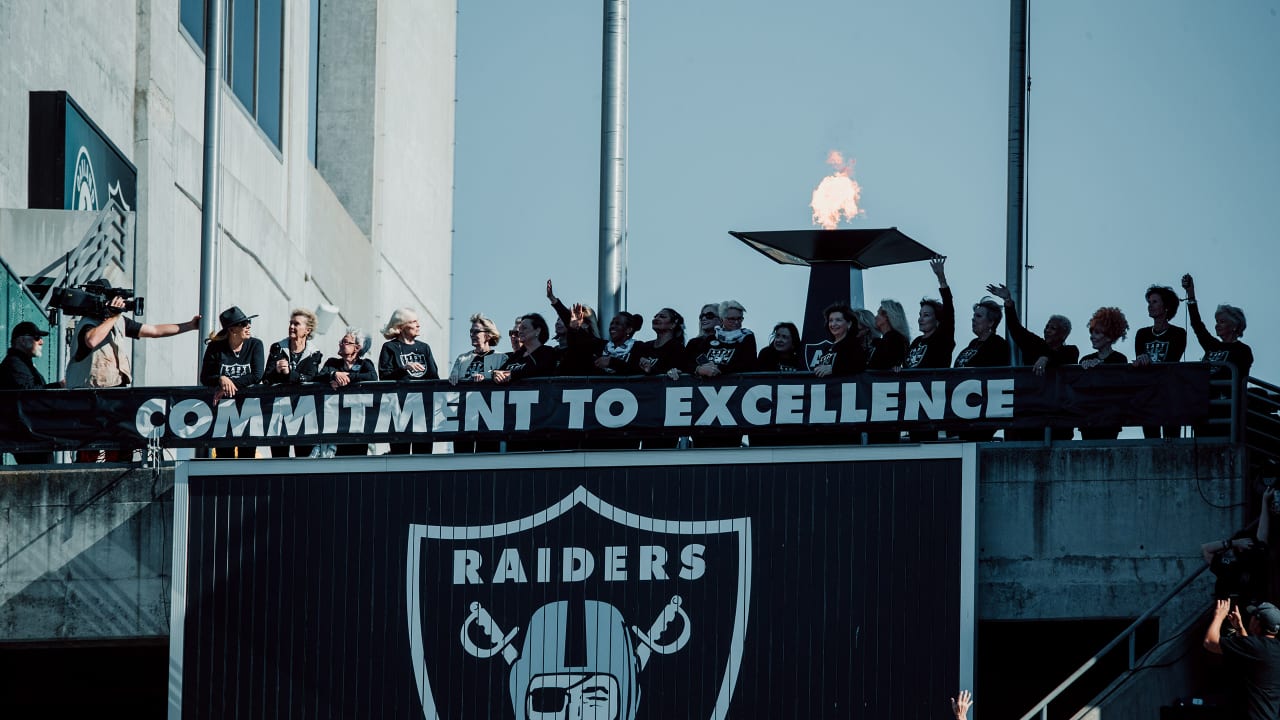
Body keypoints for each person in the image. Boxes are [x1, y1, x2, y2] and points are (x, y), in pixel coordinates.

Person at [987, 282, 1078, 441]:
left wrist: (1046, 358)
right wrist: (1008, 301)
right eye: (1047, 326)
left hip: (1058, 421)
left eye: (1053, 328)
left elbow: (1061, 358)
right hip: (1031, 416)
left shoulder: (1070, 350)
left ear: (1063, 335)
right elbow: (1016, 329)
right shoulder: (1037, 346)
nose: (1047, 330)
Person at [1183, 274, 1252, 438]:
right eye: (1216, 321)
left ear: (1234, 326)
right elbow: (1197, 325)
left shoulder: (1242, 350)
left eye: (1222, 322)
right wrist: (1190, 293)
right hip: (1203, 403)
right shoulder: (1212, 345)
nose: (1217, 325)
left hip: (1225, 408)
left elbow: (1239, 378)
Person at [200, 306, 265, 459]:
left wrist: (228, 385)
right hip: (223, 414)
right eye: (243, 324)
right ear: (232, 329)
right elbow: (205, 377)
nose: (248, 326)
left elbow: (257, 376)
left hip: (249, 411)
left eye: (248, 322)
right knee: (224, 458)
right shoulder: (215, 347)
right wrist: (220, 379)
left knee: (247, 457)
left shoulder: (255, 345)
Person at [1203, 598, 1280, 720]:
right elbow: (1250, 652)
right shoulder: (1273, 648)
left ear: (1257, 623)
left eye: (1253, 617)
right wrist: (1239, 629)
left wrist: (1218, 616)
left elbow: (1209, 642)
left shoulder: (1255, 647)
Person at [263, 308, 324, 458]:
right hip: (279, 413)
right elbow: (266, 378)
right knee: (278, 458)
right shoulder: (277, 347)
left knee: (303, 460)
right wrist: (277, 371)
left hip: (303, 414)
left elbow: (309, 378)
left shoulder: (315, 353)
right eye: (291, 323)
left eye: (296, 324)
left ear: (307, 330)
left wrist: (289, 374)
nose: (291, 327)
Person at [378, 307, 440, 455]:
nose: (418, 325)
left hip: (422, 410)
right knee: (400, 454)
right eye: (413, 321)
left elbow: (434, 377)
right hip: (398, 409)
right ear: (401, 326)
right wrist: (404, 368)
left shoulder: (424, 347)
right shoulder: (389, 347)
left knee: (423, 455)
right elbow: (384, 376)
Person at [0, 320, 60, 464]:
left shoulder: (21, 363)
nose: (41, 342)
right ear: (21, 341)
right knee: (43, 474)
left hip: (30, 431)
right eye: (36, 337)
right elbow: (29, 393)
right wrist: (58, 386)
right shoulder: (14, 363)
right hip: (25, 433)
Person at [1133, 285, 1187, 439]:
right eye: (1149, 302)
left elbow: (1172, 359)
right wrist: (1142, 360)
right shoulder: (1142, 334)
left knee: (1172, 438)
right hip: (1148, 392)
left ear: (1166, 307)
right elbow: (1139, 358)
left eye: (1155, 302)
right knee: (1150, 437)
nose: (1150, 306)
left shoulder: (1178, 333)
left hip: (1170, 392)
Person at [1202, 488, 1273, 606]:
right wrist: (1264, 501)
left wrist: (1233, 543)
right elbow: (1262, 536)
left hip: (1239, 613)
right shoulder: (1230, 565)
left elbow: (1206, 549)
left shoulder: (1247, 561)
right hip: (1233, 613)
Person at [448, 313, 507, 454]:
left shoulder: (501, 358)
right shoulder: (462, 358)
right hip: (464, 417)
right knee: (461, 458)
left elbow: (504, 381)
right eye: (471, 331)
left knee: (486, 457)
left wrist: (487, 378)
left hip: (489, 418)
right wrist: (454, 377)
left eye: (476, 331)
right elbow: (453, 377)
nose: (472, 334)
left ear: (488, 335)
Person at [316, 328, 379, 456]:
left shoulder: (365, 364)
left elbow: (373, 377)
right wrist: (334, 374)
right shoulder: (333, 362)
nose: (340, 344)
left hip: (357, 422)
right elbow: (319, 376)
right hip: (334, 422)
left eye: (345, 342)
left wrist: (348, 378)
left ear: (357, 348)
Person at [1077, 307, 1130, 440]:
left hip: (1110, 419)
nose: (1092, 337)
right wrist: (1085, 370)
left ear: (1109, 336)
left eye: (1097, 333)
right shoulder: (1085, 359)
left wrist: (1101, 368)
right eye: (1092, 332)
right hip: (1088, 419)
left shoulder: (1120, 359)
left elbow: (1119, 388)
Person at [901, 256, 956, 371]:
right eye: (920, 315)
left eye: (926, 315)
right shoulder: (916, 341)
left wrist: (941, 277)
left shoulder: (942, 338)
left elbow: (948, 309)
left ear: (937, 321)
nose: (920, 319)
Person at [685, 300, 757, 377]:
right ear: (722, 319)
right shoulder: (710, 339)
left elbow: (748, 364)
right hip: (707, 386)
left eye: (739, 319)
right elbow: (687, 362)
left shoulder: (747, 336)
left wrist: (718, 368)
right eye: (731, 319)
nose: (736, 322)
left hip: (735, 384)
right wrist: (699, 369)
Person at [546, 279, 601, 375]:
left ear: (585, 324)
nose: (559, 322)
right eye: (558, 319)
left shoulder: (591, 346)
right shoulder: (553, 352)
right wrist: (552, 298)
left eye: (562, 319)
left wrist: (555, 302)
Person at [493, 313, 557, 383]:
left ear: (537, 331)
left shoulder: (548, 352)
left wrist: (512, 375)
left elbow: (539, 370)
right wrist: (495, 374)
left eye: (524, 328)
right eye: (519, 329)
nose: (520, 332)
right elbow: (500, 370)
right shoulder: (517, 355)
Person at [813, 303, 867, 378]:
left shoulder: (853, 344)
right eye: (830, 320)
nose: (833, 324)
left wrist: (834, 369)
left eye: (838, 320)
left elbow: (859, 366)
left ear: (849, 324)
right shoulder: (828, 348)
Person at [634, 308, 687, 377]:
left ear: (673, 325)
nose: (656, 319)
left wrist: (651, 370)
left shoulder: (677, 348)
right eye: (655, 316)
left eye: (662, 317)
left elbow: (674, 373)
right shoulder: (645, 346)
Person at [867, 300, 910, 371]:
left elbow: (882, 365)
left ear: (887, 317)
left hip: (880, 380)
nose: (875, 317)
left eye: (878, 314)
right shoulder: (884, 340)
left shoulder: (895, 340)